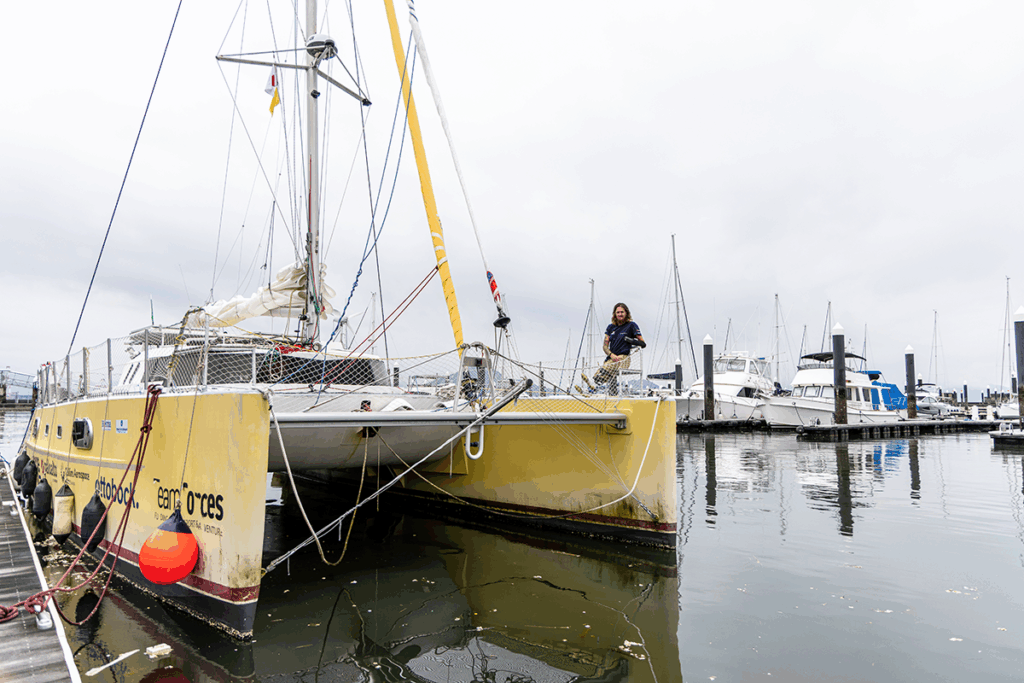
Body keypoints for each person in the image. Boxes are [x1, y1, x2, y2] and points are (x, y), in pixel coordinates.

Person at [585, 303, 645, 394]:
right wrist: (611, 355)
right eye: (618, 312)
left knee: (608, 367)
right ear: (614, 314)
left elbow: (643, 343)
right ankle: (594, 387)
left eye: (622, 312)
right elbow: (605, 346)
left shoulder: (631, 325)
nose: (620, 314)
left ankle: (593, 382)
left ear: (626, 313)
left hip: (624, 358)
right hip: (611, 358)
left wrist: (631, 341)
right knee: (601, 374)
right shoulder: (610, 327)